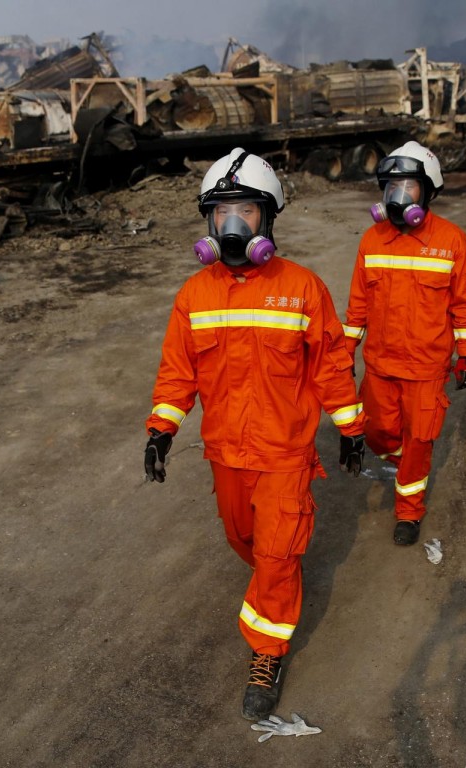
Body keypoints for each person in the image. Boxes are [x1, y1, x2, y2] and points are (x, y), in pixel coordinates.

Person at [143, 148, 367, 721]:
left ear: (268, 219)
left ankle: (267, 651)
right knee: (243, 540)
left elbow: (331, 368)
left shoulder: (302, 289)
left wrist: (350, 427)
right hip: (226, 451)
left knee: (274, 552)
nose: (233, 224)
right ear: (208, 222)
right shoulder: (195, 295)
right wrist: (162, 431)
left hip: (285, 455)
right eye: (222, 213)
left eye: (245, 210)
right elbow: (177, 372)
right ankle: (276, 578)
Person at [342, 141, 466, 546]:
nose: (398, 197)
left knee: (418, 442)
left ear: (429, 191)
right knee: (380, 435)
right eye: (391, 187)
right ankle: (404, 463)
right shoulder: (372, 240)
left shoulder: (452, 242)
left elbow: (464, 304)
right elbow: (357, 305)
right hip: (381, 365)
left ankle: (409, 511)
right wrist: (344, 351)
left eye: (408, 187)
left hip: (426, 369)